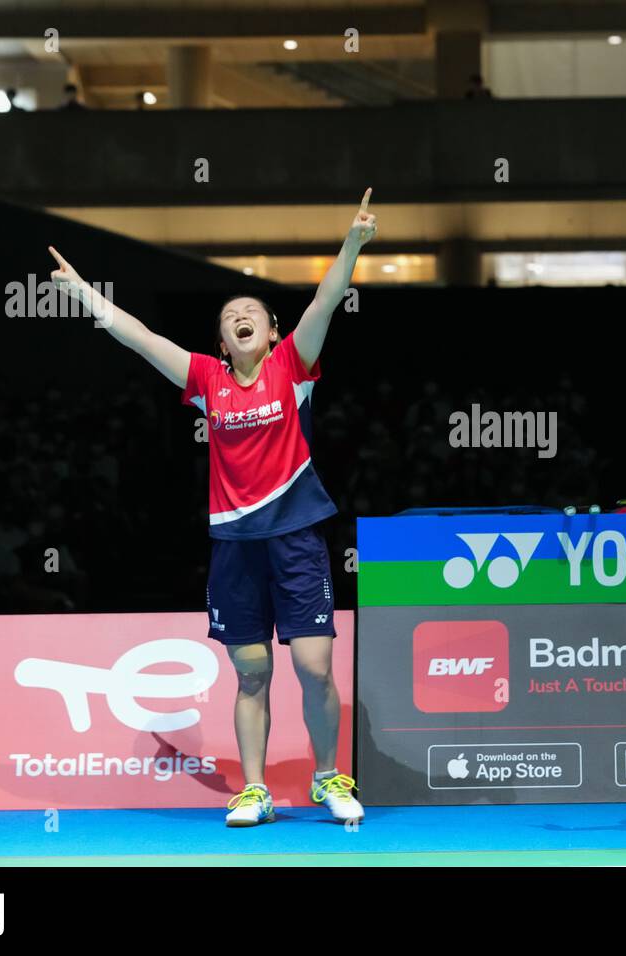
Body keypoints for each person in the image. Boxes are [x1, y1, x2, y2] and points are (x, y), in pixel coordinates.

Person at [46, 188, 377, 827]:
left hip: (297, 536)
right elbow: (139, 338)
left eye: (253, 309)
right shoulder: (207, 380)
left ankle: (329, 777)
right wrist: (83, 292)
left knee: (313, 667)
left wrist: (354, 243)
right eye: (231, 315)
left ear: (273, 331)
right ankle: (253, 790)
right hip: (234, 543)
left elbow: (326, 299)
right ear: (223, 341)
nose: (242, 315)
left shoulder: (292, 364)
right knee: (252, 671)